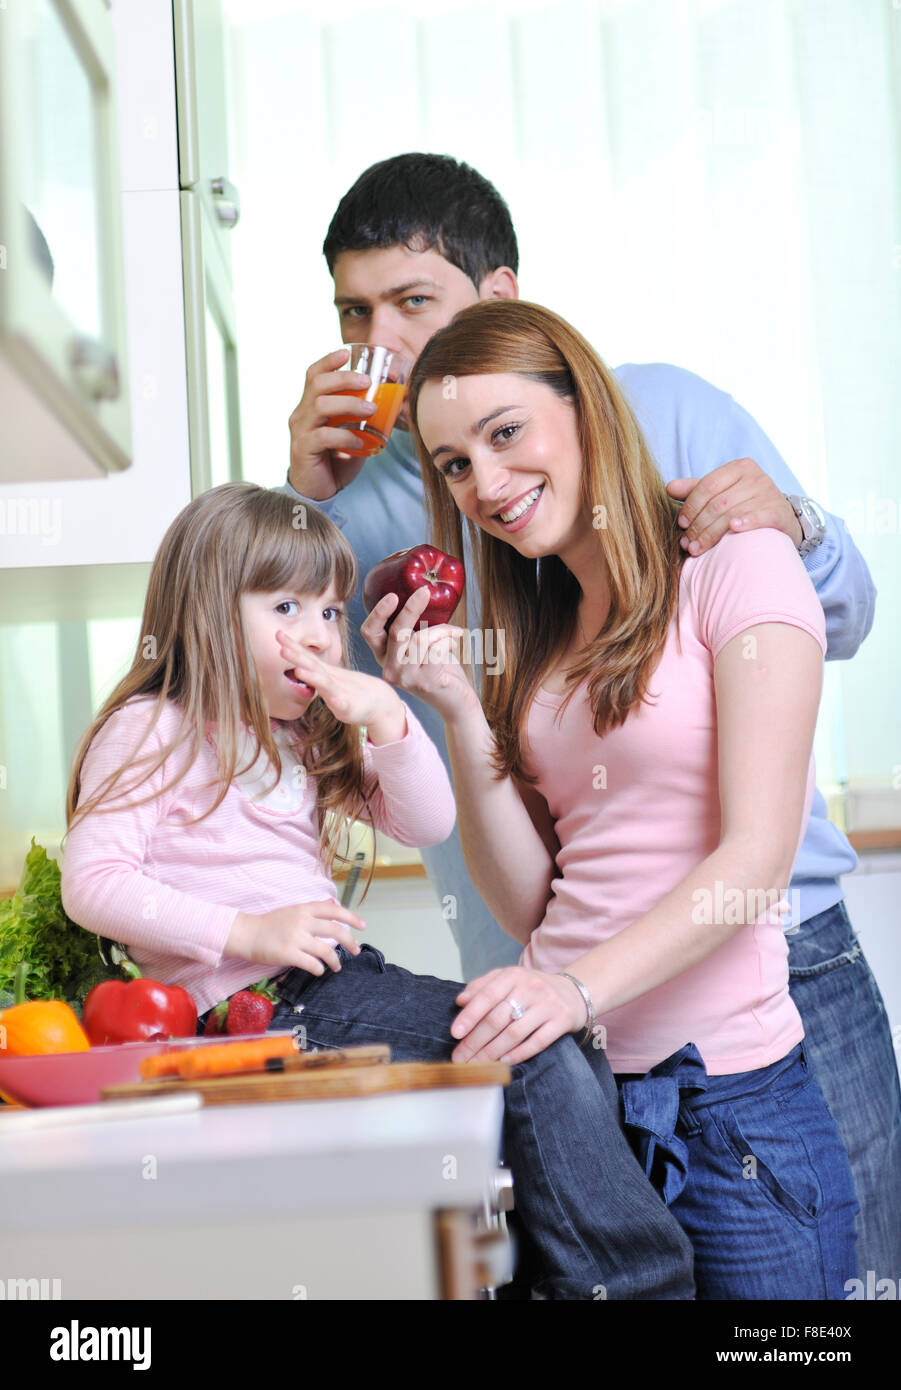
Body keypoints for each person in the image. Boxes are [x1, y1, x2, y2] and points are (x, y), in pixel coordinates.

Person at [280, 153, 899, 1286]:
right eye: (354, 312)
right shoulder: (364, 504)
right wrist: (296, 499)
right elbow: (290, 705)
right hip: (557, 1020)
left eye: (413, 302)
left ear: (514, 312)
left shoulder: (675, 433)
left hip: (760, 978)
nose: (384, 340)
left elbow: (826, 631)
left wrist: (798, 524)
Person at [59, 481, 695, 1301]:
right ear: (208, 608)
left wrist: (390, 721)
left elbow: (422, 820)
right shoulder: (151, 728)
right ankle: (640, 1289)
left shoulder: (295, 733)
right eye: (285, 606)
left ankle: (565, 1282)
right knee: (529, 1048)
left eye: (328, 612)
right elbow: (94, 883)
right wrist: (249, 931)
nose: (317, 635)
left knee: (551, 1040)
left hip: (334, 987)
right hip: (257, 1007)